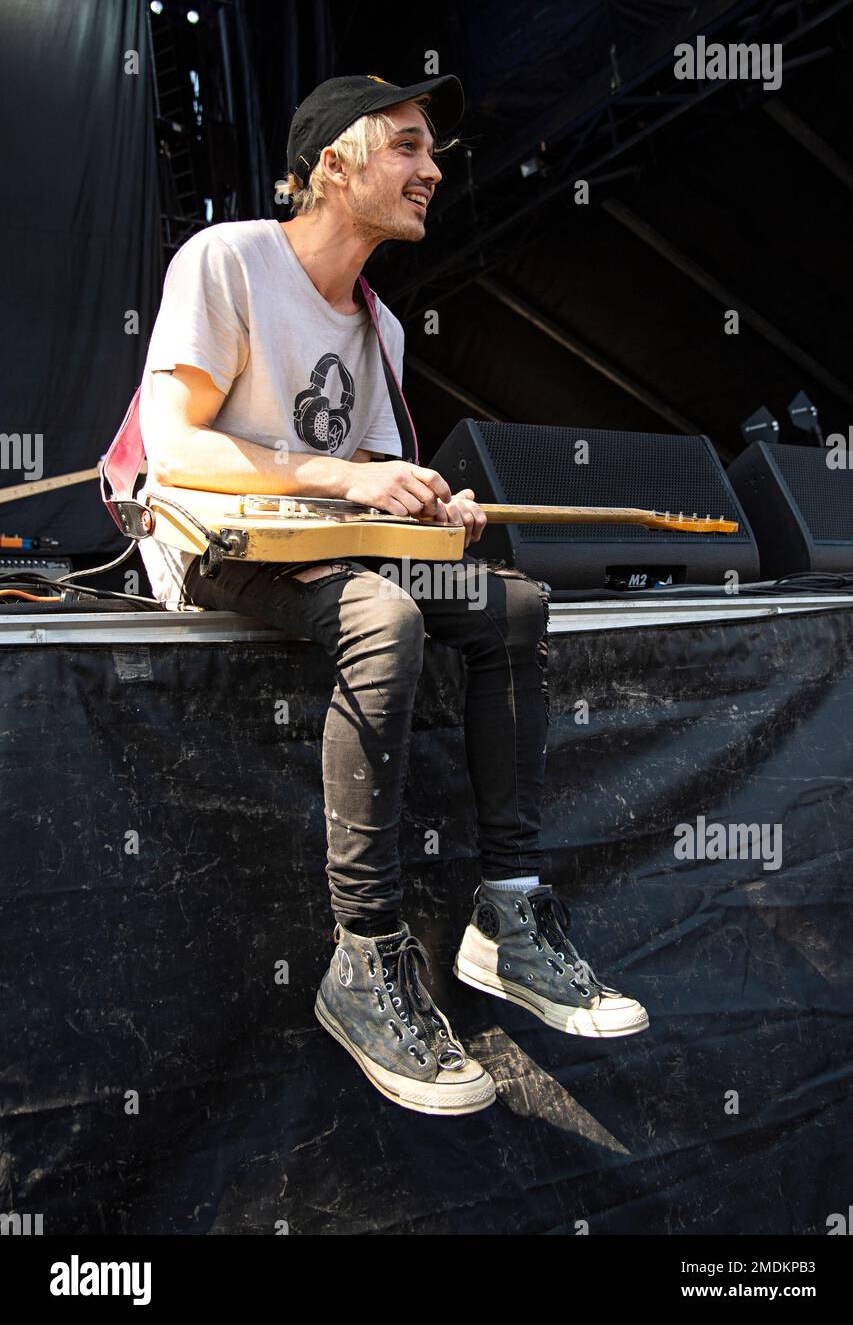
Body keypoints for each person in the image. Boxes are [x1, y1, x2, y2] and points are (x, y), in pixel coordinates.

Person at [137, 74, 649, 1118]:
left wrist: (425, 502)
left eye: (432, 152)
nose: (432, 170)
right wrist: (346, 480)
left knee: (510, 606)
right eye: (407, 147)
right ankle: (365, 958)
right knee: (386, 616)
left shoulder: (381, 327)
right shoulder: (227, 258)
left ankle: (507, 914)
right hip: (210, 541)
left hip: (322, 542)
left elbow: (368, 483)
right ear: (334, 163)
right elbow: (174, 446)